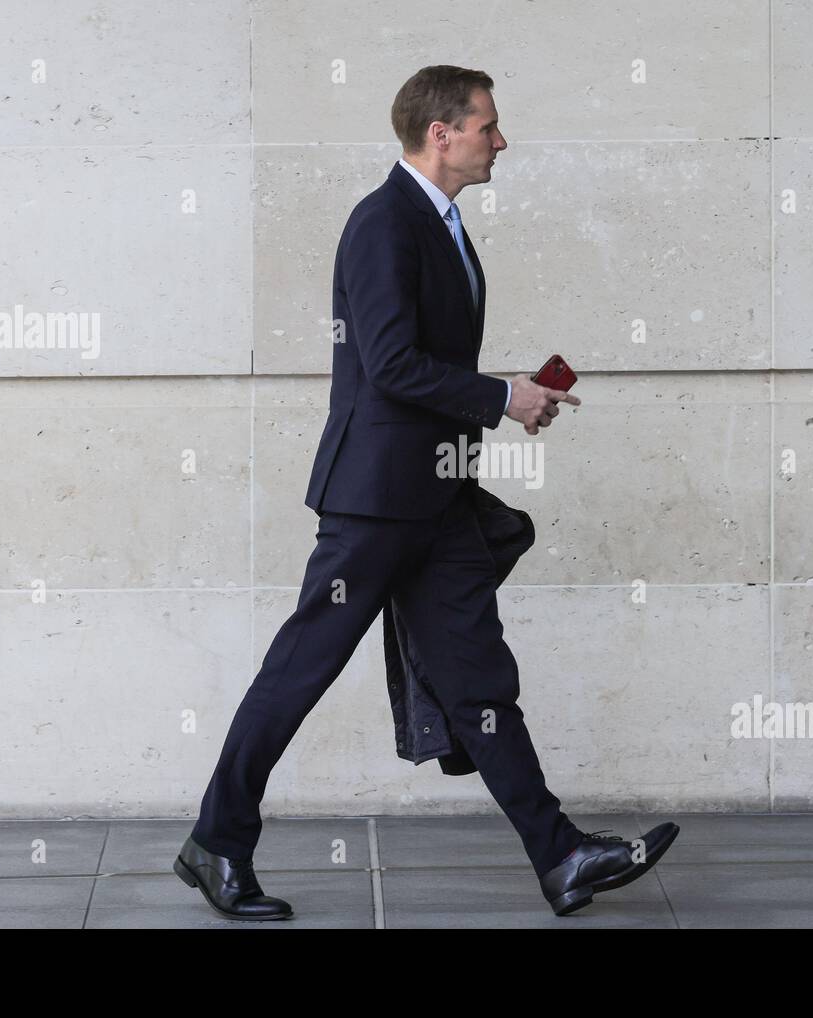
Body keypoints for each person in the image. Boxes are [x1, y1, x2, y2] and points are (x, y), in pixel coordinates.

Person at [173, 65, 677, 920]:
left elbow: (424, 363)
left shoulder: (438, 227)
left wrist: (507, 392)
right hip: (373, 503)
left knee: (480, 677)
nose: (500, 140)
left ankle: (561, 859)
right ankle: (216, 843)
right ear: (440, 133)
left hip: (436, 499)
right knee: (298, 674)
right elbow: (392, 364)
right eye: (488, 125)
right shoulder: (383, 224)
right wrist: (498, 397)